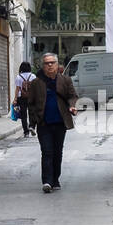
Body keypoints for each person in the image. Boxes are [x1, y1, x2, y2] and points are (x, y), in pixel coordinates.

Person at [27, 52, 78, 193]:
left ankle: (55, 179)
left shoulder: (65, 80)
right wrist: (33, 122)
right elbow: (31, 103)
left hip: (60, 123)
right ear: (43, 66)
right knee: (47, 152)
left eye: (52, 62)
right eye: (46, 63)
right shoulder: (36, 83)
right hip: (44, 124)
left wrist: (72, 105)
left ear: (57, 65)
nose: (49, 65)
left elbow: (72, 96)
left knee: (57, 152)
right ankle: (47, 181)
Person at [14, 61, 37, 137]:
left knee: (23, 115)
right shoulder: (33, 76)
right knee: (32, 113)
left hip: (22, 97)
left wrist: (15, 99)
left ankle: (26, 132)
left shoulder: (18, 77)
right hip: (32, 97)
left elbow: (17, 89)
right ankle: (32, 126)